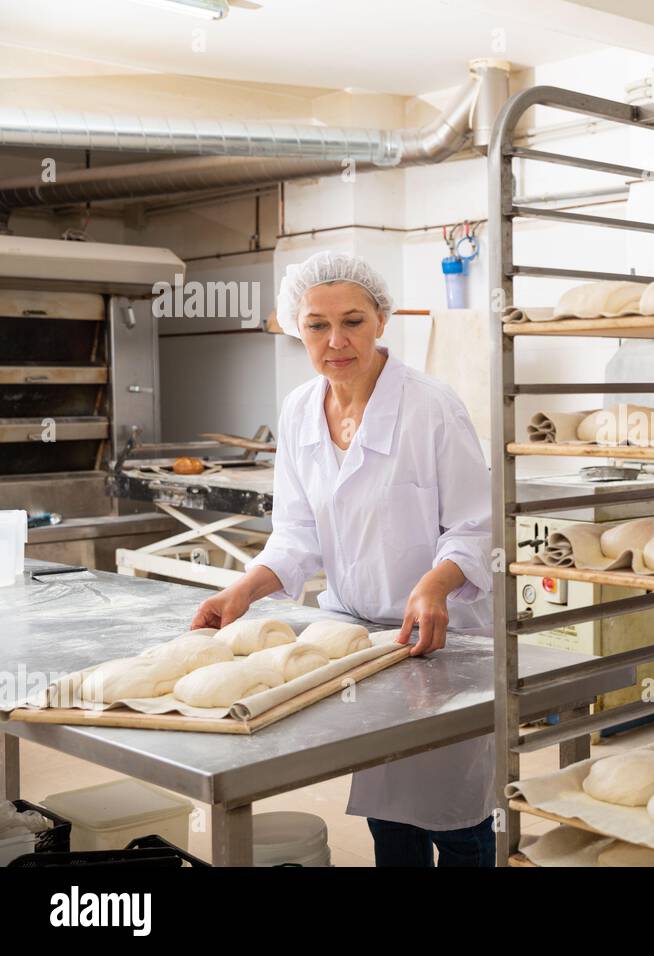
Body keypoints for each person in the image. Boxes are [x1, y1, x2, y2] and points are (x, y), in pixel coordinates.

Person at [191, 250, 495, 867]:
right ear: (293, 328)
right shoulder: (300, 411)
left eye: (352, 321)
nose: (336, 341)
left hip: (440, 639)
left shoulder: (431, 407)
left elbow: (475, 525)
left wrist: (437, 582)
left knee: (456, 816)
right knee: (387, 813)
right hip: (357, 646)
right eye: (317, 325)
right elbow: (297, 533)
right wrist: (243, 591)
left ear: (381, 320)